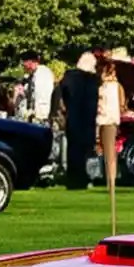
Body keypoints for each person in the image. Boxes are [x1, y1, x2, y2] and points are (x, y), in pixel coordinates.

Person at [53, 52, 99, 189]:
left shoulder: (69, 78)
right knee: (85, 150)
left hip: (73, 119)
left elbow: (61, 95)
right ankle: (83, 177)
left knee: (73, 150)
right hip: (88, 120)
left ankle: (73, 178)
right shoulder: (92, 81)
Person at [95, 58, 127, 190]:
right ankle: (107, 178)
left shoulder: (112, 86)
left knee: (109, 152)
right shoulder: (109, 86)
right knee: (106, 151)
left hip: (108, 120)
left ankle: (111, 181)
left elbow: (119, 105)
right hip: (105, 120)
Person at [19, 51, 54, 123]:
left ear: (29, 62)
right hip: (32, 116)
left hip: (42, 116)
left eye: (24, 64)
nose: (23, 67)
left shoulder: (44, 73)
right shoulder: (29, 77)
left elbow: (42, 96)